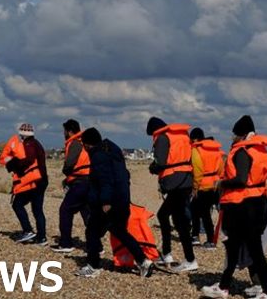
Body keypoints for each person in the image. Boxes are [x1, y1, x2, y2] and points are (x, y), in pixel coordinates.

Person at [201, 115, 267, 299]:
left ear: (241, 134)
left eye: (234, 134)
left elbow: (242, 179)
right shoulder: (259, 150)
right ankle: (223, 287)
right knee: (234, 246)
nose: (232, 138)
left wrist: (221, 183)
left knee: (254, 250)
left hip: (245, 206)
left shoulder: (243, 152)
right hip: (257, 202)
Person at [76, 127, 154, 278]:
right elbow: (124, 175)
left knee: (92, 232)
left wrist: (105, 201)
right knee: (121, 232)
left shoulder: (98, 156)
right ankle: (143, 261)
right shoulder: (113, 150)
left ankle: (93, 266)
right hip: (122, 200)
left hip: (108, 203)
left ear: (87, 144)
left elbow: (105, 180)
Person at [146, 116, 197, 272]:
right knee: (170, 216)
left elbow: (161, 162)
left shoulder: (162, 138)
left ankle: (188, 259)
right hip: (186, 180)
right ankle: (168, 253)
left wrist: (152, 168)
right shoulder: (182, 136)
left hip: (175, 183)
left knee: (178, 221)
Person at [0, 123, 48, 244]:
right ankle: (42, 237)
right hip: (41, 181)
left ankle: (28, 231)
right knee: (37, 210)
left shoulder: (29, 144)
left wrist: (12, 164)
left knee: (17, 204)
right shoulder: (36, 143)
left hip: (32, 182)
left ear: (22, 134)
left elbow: (28, 160)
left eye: (21, 135)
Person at [52, 119, 91, 253]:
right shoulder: (85, 141)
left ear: (69, 131)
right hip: (89, 180)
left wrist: (66, 173)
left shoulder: (74, 143)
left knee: (65, 210)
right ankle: (96, 246)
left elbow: (69, 164)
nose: (63, 133)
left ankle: (66, 243)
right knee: (86, 213)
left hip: (79, 182)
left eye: (64, 131)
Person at [190, 127, 223, 249]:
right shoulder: (215, 150)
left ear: (195, 139)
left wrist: (195, 187)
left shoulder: (196, 150)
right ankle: (202, 237)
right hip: (214, 186)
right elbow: (221, 168)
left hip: (202, 186)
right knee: (203, 212)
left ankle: (206, 239)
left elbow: (197, 170)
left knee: (198, 212)